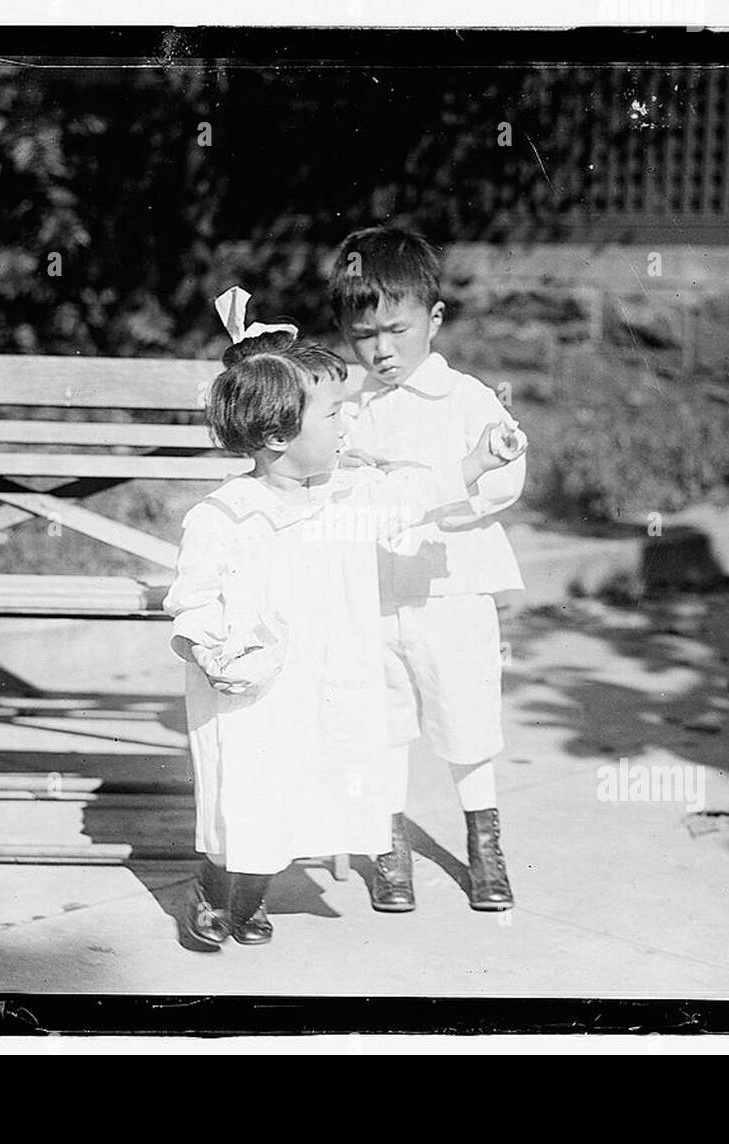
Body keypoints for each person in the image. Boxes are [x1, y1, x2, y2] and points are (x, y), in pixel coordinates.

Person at [163, 298, 526, 949]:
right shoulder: (225, 517)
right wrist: (206, 646)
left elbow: (411, 495)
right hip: (244, 695)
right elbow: (191, 599)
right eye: (332, 416)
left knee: (292, 802)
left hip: (311, 688)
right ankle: (218, 893)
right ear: (278, 438)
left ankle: (249, 900)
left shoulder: (347, 500)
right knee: (242, 800)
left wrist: (474, 461)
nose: (345, 428)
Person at [329, 226, 527, 912]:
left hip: (451, 585)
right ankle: (388, 848)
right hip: (376, 591)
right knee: (381, 719)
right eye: (364, 336)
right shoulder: (348, 409)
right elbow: (346, 491)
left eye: (396, 329)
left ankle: (485, 844)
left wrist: (445, 486)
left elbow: (502, 479)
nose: (381, 350)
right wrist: (411, 489)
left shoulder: (466, 400)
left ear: (433, 321)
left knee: (465, 715)